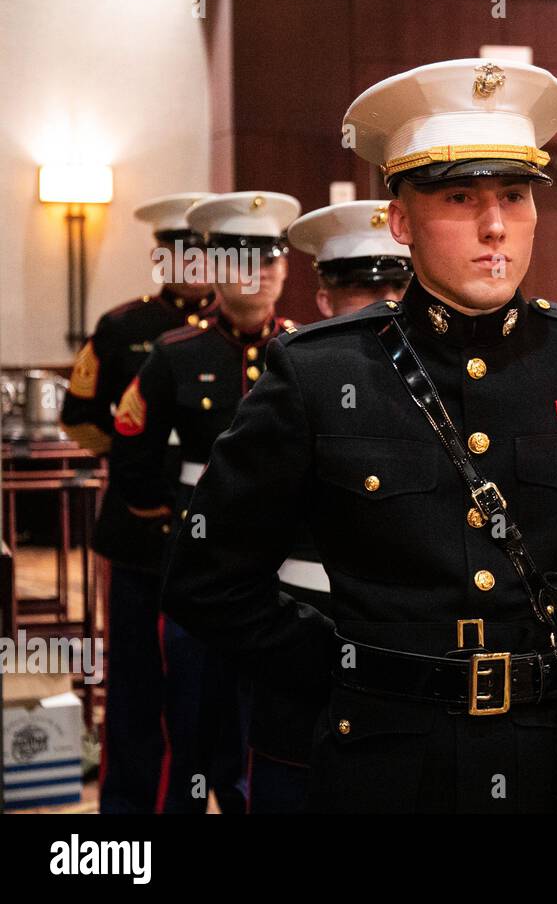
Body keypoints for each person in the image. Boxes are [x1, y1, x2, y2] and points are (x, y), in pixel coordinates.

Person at [160, 58, 557, 813]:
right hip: (387, 765)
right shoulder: (319, 371)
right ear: (401, 220)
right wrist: (345, 668)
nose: (495, 225)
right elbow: (206, 579)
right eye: (461, 197)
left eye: (515, 196)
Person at [111, 190, 301, 813]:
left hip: (277, 572)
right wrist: (175, 533)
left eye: (269, 258)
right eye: (240, 260)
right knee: (183, 710)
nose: (258, 273)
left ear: (285, 268)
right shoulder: (176, 353)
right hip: (191, 563)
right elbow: (133, 454)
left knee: (262, 720)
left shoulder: (306, 354)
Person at [237, 200, 412, 812]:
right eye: (360, 290)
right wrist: (306, 652)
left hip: (418, 679)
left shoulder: (451, 391)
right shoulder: (287, 393)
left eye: (396, 286)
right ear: (324, 300)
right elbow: (220, 570)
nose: (380, 305)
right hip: (307, 651)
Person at [60, 192, 216, 813]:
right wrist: (134, 471)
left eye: (201, 254)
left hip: (214, 542)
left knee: (205, 689)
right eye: (177, 252)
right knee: (134, 684)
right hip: (137, 535)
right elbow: (81, 417)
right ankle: (126, 813)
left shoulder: (236, 335)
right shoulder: (122, 327)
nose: (191, 265)